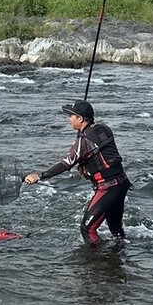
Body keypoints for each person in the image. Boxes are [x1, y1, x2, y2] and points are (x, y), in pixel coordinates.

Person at [24, 100, 131, 246]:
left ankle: (96, 262)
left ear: (80, 119)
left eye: (71, 116)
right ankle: (119, 257)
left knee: (87, 229)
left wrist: (40, 175)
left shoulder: (84, 141)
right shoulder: (104, 129)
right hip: (121, 184)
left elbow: (66, 164)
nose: (69, 119)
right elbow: (97, 152)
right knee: (116, 229)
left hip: (108, 188)